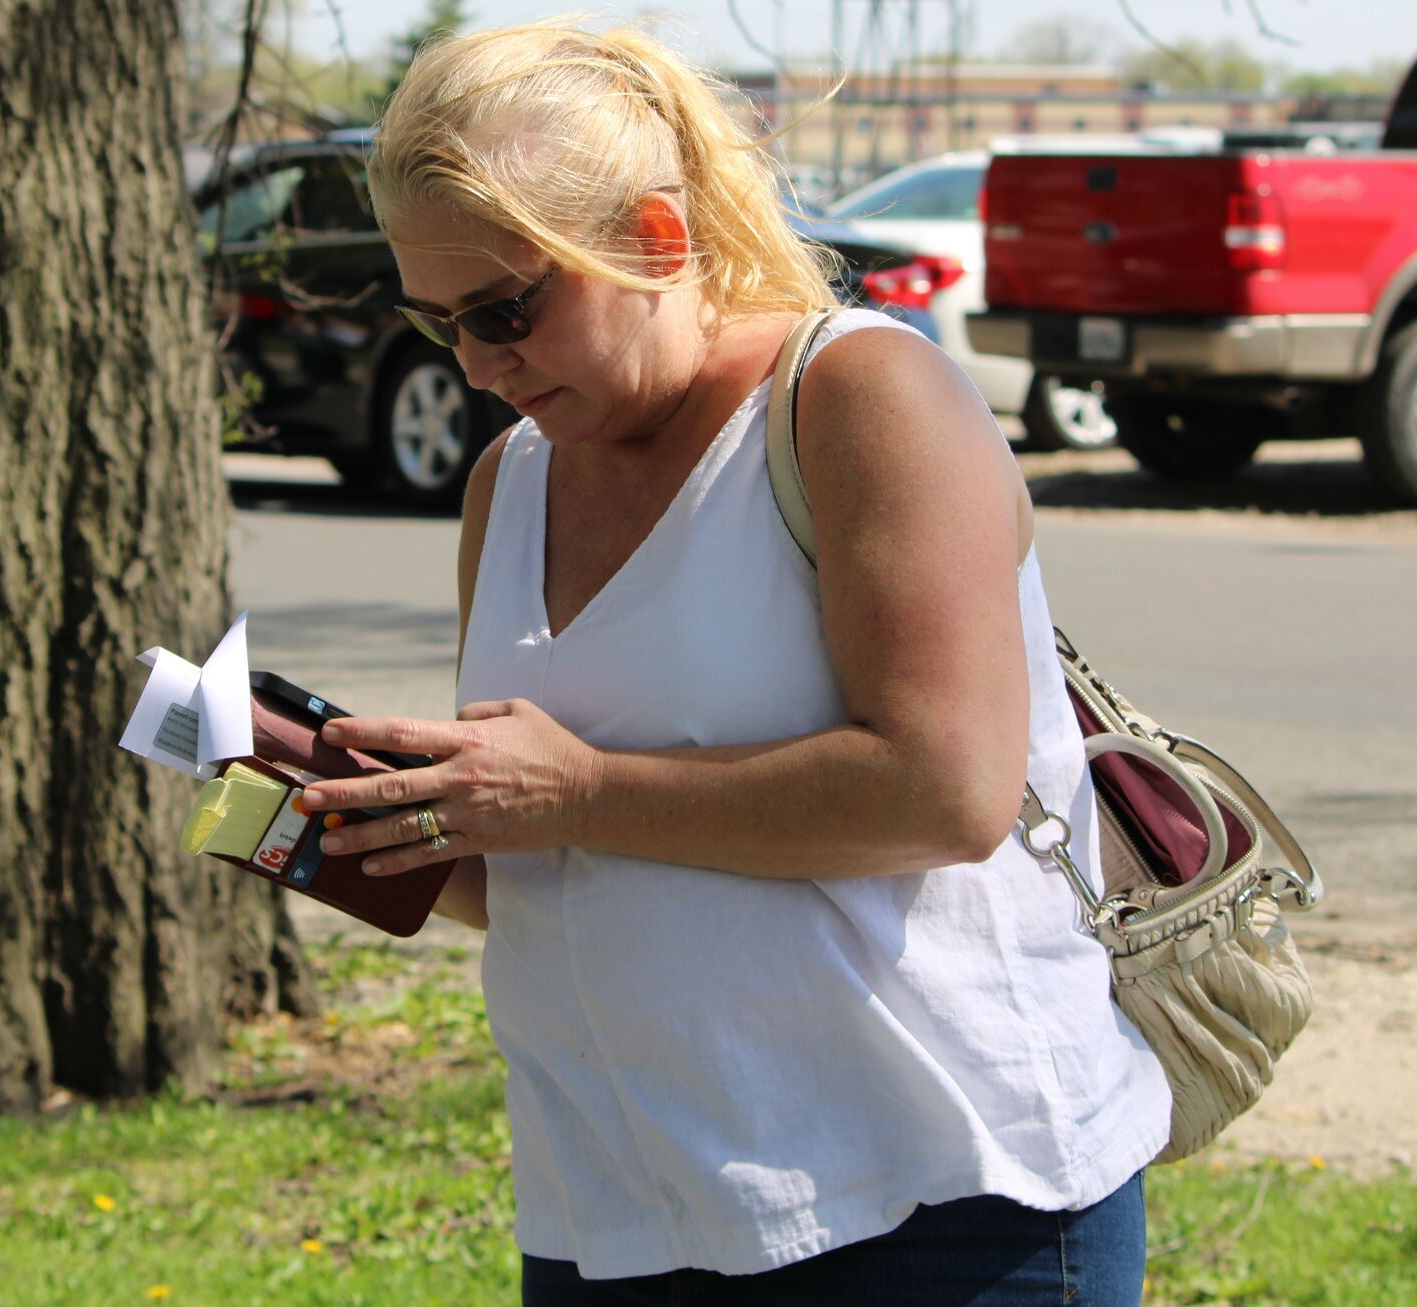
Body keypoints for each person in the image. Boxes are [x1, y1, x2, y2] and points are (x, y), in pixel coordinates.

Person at [295, 23, 1169, 1304]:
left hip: (938, 1208)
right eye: (439, 325)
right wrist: (355, 822)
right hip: (619, 1208)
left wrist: (578, 788)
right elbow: (544, 861)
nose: (477, 364)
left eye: (504, 310)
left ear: (655, 239)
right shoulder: (508, 483)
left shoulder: (858, 398)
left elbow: (944, 790)